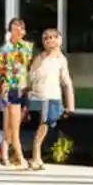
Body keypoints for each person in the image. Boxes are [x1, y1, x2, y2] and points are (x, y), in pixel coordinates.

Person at [26, 28, 75, 170]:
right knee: (42, 124)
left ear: (59, 40)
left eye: (53, 37)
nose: (50, 40)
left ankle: (36, 156)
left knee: (45, 124)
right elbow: (31, 77)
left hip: (52, 96)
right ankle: (35, 156)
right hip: (37, 96)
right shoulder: (39, 58)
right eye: (46, 38)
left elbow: (67, 82)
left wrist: (70, 104)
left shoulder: (61, 60)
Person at [0, 17, 34, 168]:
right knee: (14, 125)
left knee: (12, 125)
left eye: (20, 28)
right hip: (11, 89)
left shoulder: (27, 47)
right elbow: (2, 72)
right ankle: (20, 157)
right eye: (14, 27)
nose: (18, 30)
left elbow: (30, 67)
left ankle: (3, 153)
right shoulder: (4, 50)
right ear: (10, 30)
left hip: (24, 88)